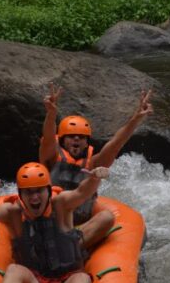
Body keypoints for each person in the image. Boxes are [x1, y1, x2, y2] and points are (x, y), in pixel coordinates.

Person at [38, 84, 153, 247]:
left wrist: (136, 119)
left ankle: (70, 247)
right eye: (71, 136)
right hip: (52, 224)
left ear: (87, 143)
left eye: (81, 137)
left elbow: (116, 143)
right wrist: (51, 114)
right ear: (62, 140)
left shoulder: (94, 164)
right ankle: (63, 248)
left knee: (106, 217)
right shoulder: (50, 158)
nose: (77, 139)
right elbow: (48, 139)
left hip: (81, 227)